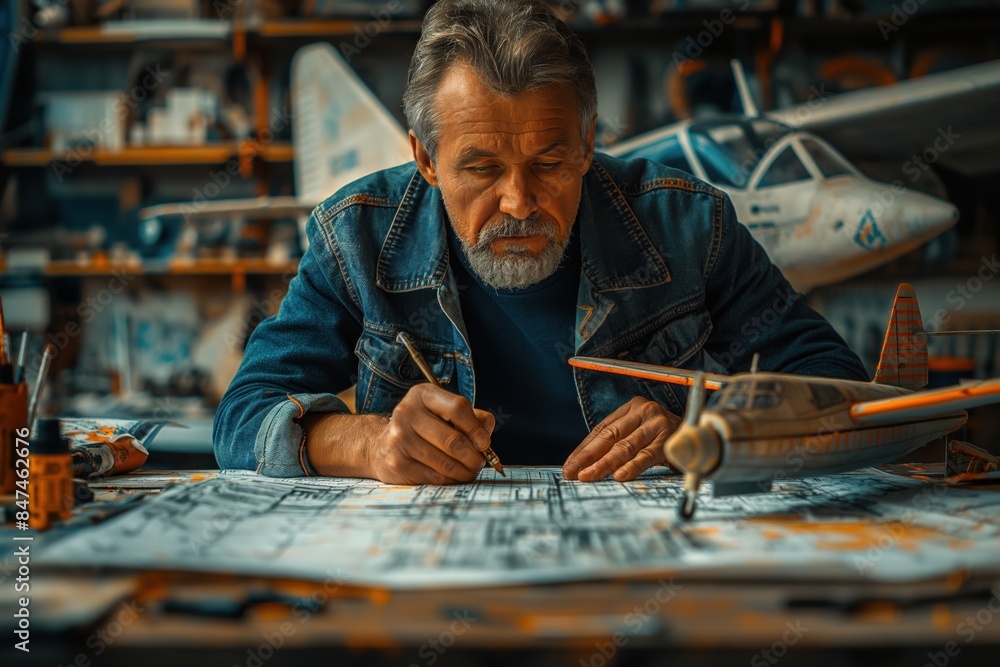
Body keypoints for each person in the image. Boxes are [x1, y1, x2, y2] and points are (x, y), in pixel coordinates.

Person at [213, 0, 867, 485]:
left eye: (550, 163)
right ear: (426, 159)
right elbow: (243, 415)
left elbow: (838, 386)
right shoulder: (355, 235)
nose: (519, 203)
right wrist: (371, 444)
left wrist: (702, 434)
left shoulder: (689, 226)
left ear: (588, 145)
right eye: (481, 169)